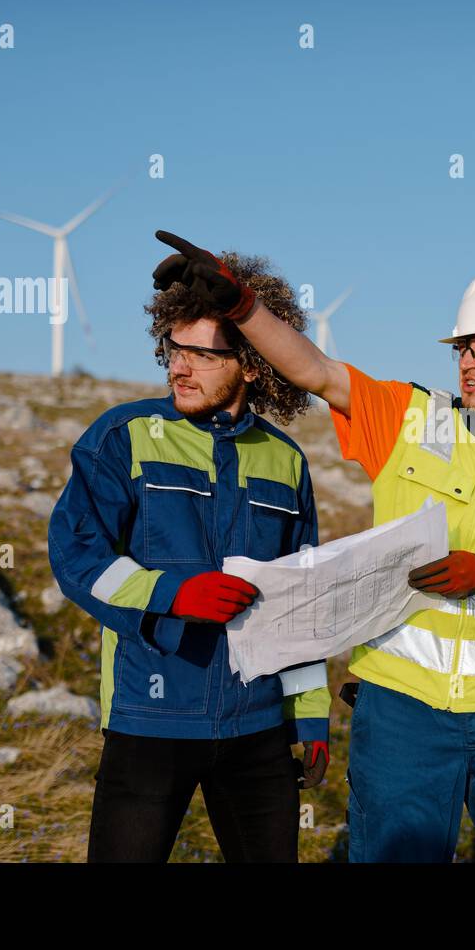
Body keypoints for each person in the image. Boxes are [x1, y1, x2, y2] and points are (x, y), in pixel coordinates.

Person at [149, 230, 475, 862]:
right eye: (462, 348)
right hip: (402, 709)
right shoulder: (413, 417)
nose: (468, 361)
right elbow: (314, 370)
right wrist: (242, 307)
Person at [48, 249, 331, 862]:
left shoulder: (285, 459)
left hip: (258, 726)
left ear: (252, 365)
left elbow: (300, 600)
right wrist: (171, 596)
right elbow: (77, 556)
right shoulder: (122, 436)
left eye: (202, 355)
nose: (180, 368)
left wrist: (309, 715)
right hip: (150, 720)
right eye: (174, 350)